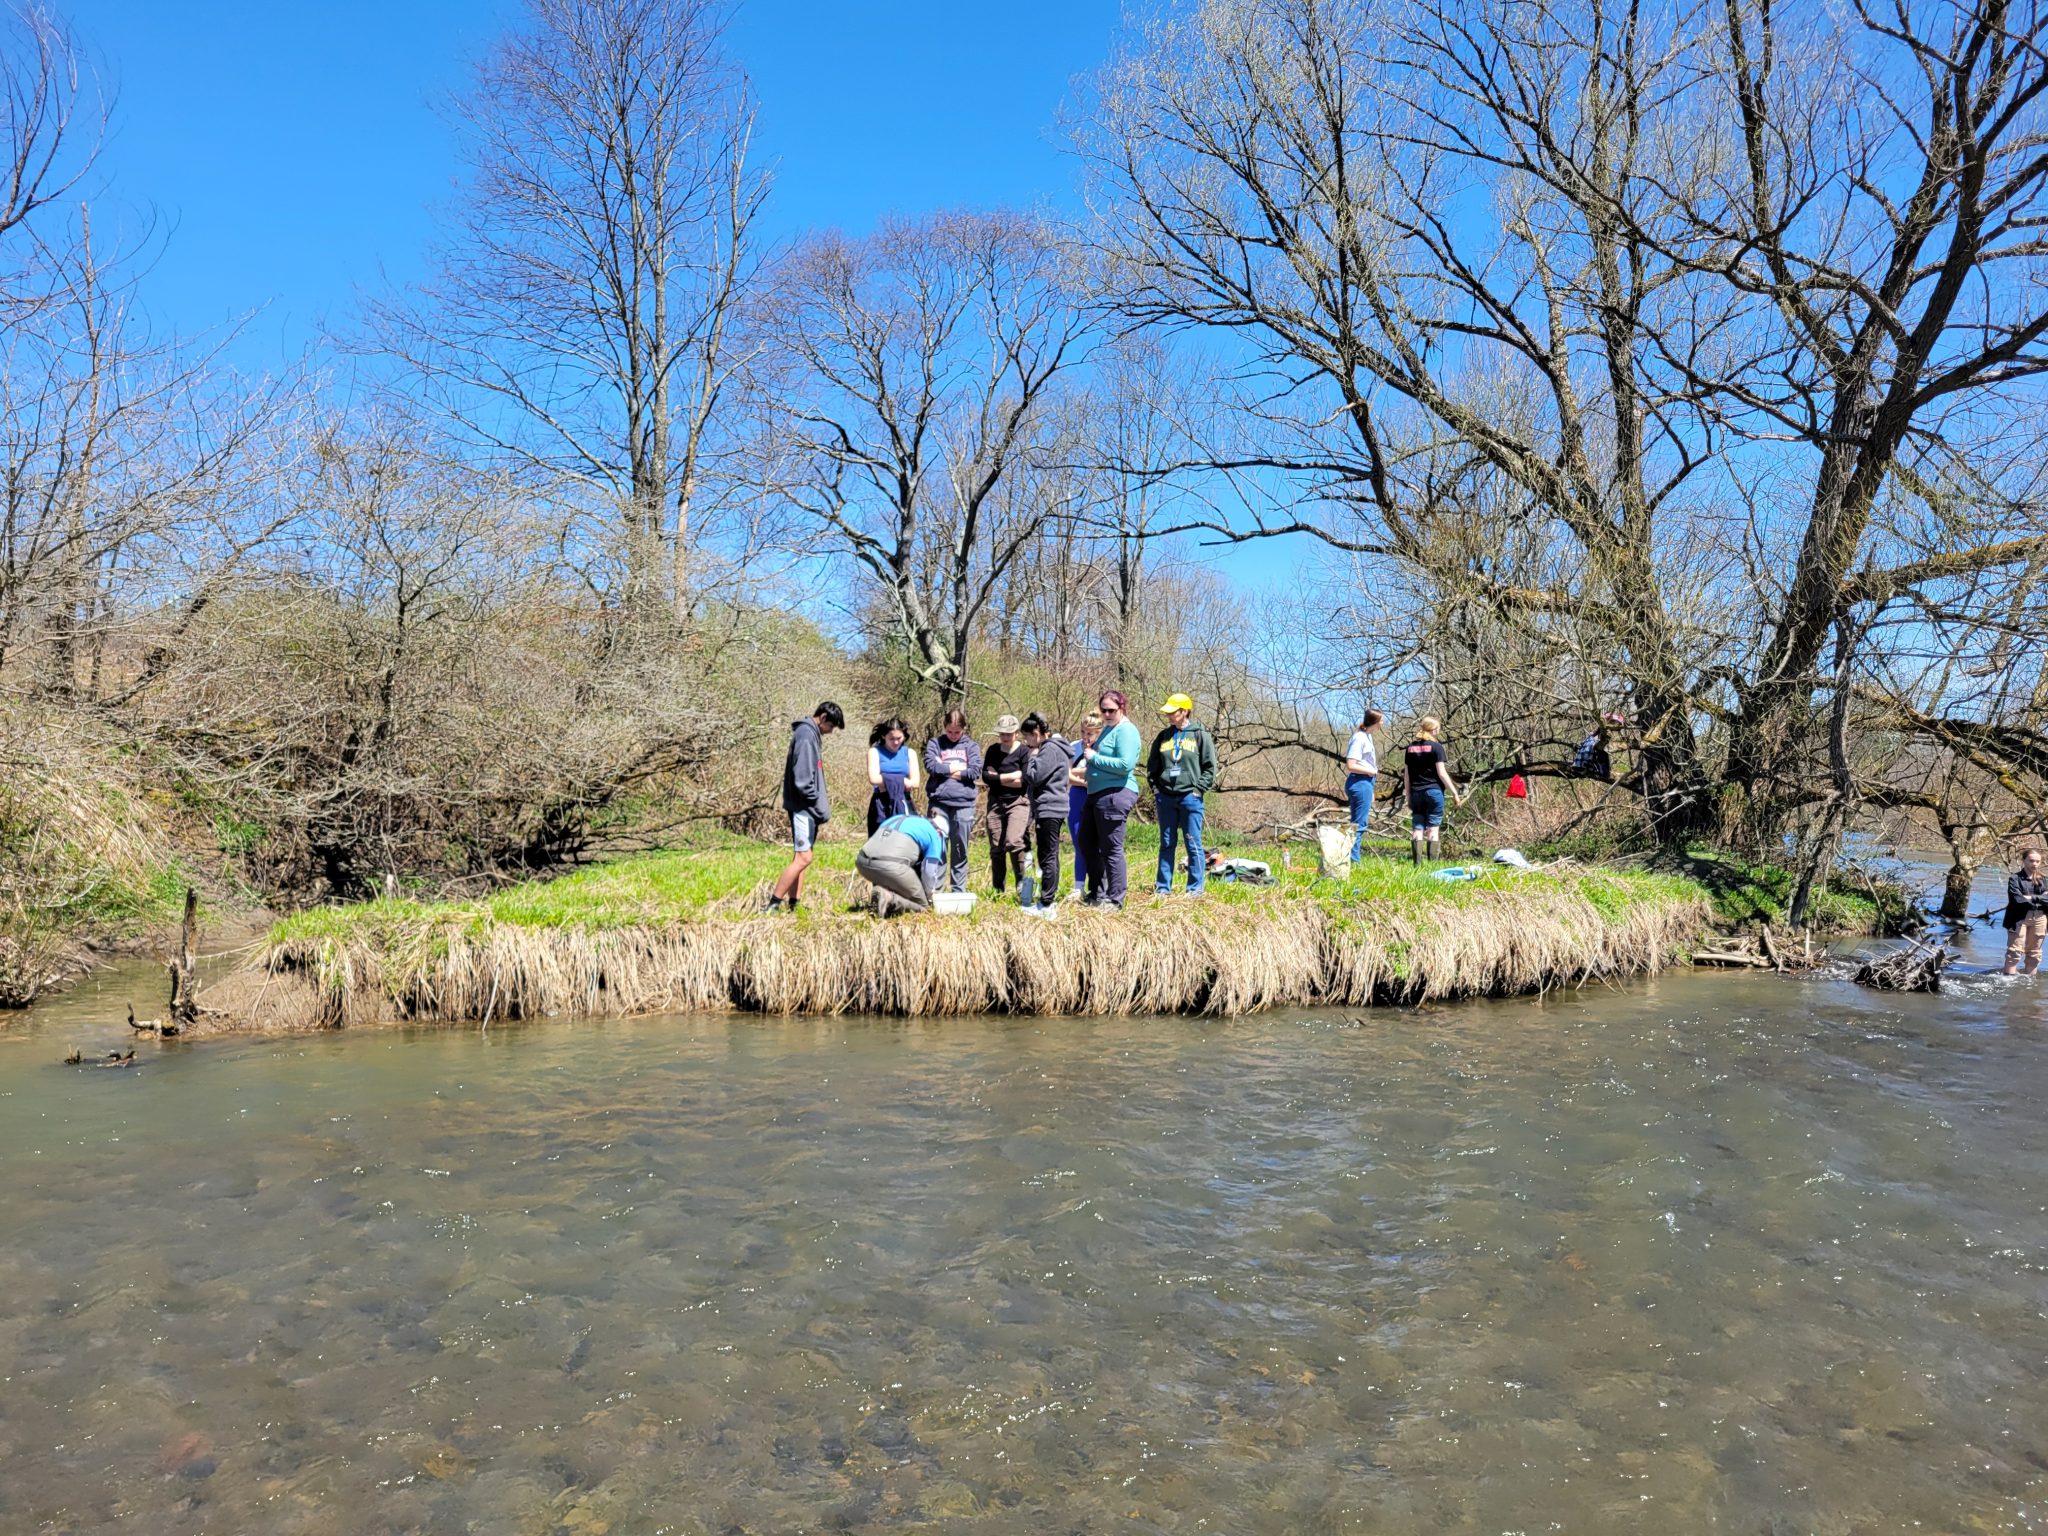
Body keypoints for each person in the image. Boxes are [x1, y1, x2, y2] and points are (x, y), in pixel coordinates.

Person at [768, 701, 845, 912]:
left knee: (801, 856)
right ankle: (773, 905)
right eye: (832, 727)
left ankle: (794, 904)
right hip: (804, 808)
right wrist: (814, 802)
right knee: (804, 857)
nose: (831, 732)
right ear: (823, 718)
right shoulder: (805, 736)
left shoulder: (810, 735)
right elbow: (802, 779)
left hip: (807, 808)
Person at [1075, 690, 1143, 908]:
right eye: (1103, 709)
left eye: (1111, 710)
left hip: (1115, 793)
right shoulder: (1107, 730)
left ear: (1122, 708)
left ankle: (1115, 899)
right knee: (1086, 842)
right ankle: (1097, 893)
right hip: (1095, 794)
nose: (1106, 714)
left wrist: (1095, 757)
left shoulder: (1126, 731)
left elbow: (1125, 765)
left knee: (1111, 848)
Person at [1147, 692, 1218, 894]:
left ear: (1184, 711)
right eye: (1167, 712)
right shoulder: (1163, 736)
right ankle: (1163, 889)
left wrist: (1197, 791)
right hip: (1166, 798)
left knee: (1193, 843)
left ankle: (1195, 890)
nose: (1169, 715)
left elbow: (1210, 768)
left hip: (1190, 798)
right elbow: (1152, 767)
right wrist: (1156, 790)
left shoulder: (1200, 735)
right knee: (1167, 843)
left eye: (1173, 711)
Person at [923, 707, 982, 894]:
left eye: (957, 732)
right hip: (939, 802)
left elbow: (974, 772)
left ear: (963, 729)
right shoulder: (935, 743)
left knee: (960, 848)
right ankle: (935, 890)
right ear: (944, 727)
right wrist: (956, 769)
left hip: (964, 803)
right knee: (938, 846)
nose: (953, 735)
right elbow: (931, 766)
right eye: (949, 731)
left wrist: (945, 767)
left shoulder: (971, 746)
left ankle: (958, 891)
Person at [1020, 713, 1072, 911]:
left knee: (1048, 855)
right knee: (1048, 854)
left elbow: (1035, 776)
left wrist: (1032, 759)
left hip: (1050, 807)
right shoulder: (1054, 747)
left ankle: (1046, 903)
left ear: (1036, 734)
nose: (1026, 742)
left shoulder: (1049, 748)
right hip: (1050, 807)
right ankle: (1047, 899)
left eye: (1027, 738)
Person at [1400, 716, 1466, 866]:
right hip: (1434, 792)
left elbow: (1407, 776)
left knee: (1417, 828)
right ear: (1433, 730)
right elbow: (1442, 773)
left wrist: (1408, 796)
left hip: (1416, 793)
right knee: (1433, 829)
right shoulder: (1437, 747)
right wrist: (1455, 793)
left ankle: (1417, 865)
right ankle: (1432, 867)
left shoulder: (1410, 748)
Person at [856, 812, 947, 916]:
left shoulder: (897, 819)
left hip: (862, 862)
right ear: (940, 831)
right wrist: (931, 896)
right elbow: (928, 872)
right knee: (923, 907)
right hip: (890, 866)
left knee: (899, 883)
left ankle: (882, 895)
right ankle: (889, 899)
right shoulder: (935, 835)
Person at [982, 714, 1032, 894]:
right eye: (1002, 733)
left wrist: (998, 778)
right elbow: (986, 777)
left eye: (1009, 734)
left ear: (1016, 733)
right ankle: (998, 889)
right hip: (995, 802)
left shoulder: (1024, 752)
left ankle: (1021, 884)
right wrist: (1012, 776)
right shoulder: (993, 751)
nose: (1005, 737)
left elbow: (1025, 780)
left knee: (1013, 841)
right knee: (996, 847)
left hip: (1017, 802)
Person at [865, 717, 922, 834]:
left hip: (904, 800)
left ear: (904, 737)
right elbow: (874, 778)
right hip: (881, 802)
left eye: (899, 738)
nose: (896, 742)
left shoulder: (910, 753)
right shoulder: (874, 752)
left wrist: (886, 780)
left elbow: (915, 783)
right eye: (891, 738)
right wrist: (903, 781)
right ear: (883, 736)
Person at [1065, 712, 1100, 900]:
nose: (1085, 738)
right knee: (1079, 842)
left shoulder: (1102, 748)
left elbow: (1098, 772)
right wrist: (1085, 778)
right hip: (1076, 797)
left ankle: (1098, 887)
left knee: (1095, 845)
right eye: (1083, 732)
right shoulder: (1073, 747)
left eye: (1090, 734)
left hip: (1094, 798)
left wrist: (1081, 774)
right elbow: (1066, 774)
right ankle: (1078, 887)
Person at [1343, 707, 1384, 863]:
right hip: (1358, 782)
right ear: (1374, 722)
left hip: (1366, 784)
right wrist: (1371, 771)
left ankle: (1350, 858)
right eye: (1381, 722)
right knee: (1359, 824)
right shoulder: (1359, 738)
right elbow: (1351, 764)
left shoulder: (1368, 737)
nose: (1382, 725)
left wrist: (1371, 787)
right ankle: (1354, 860)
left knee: (1359, 822)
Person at [2005, 847, 2047, 976]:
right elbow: (2018, 900)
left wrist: (2030, 897)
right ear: (2024, 861)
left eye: (2037, 861)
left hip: (2040, 917)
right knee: (2015, 951)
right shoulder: (2015, 879)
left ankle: (2029, 982)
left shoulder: (2044, 880)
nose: (2034, 864)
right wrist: (2041, 898)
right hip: (2019, 917)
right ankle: (2009, 979)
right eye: (2031, 860)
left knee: (2035, 952)